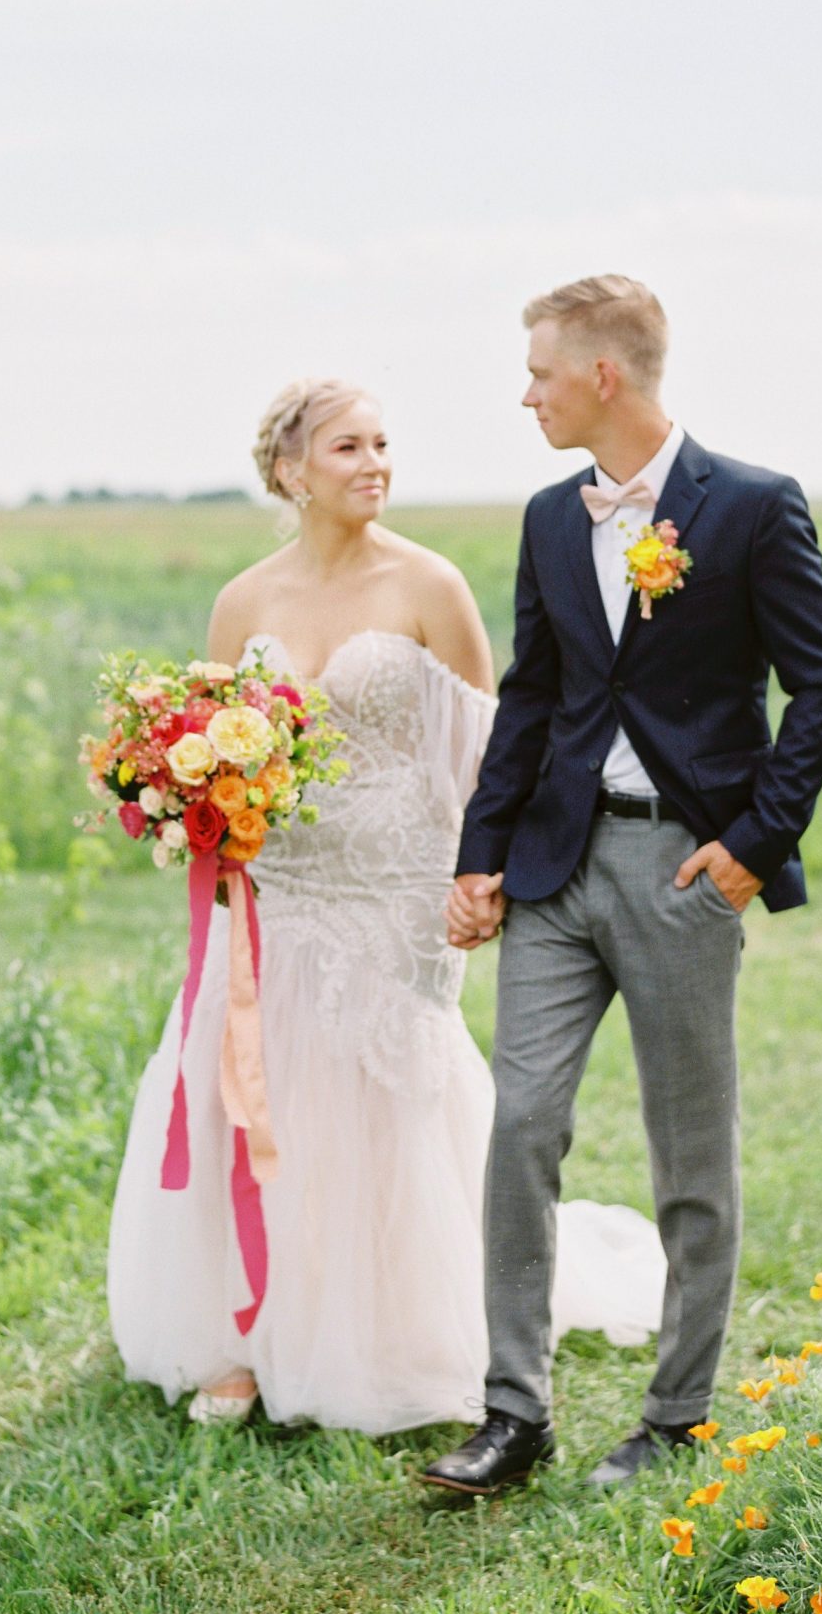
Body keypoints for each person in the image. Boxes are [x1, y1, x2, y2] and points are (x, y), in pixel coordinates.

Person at [108, 378, 665, 1433]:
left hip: (396, 886)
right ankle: (248, 1331)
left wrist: (482, 869)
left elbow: (493, 748)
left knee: (380, 1090)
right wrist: (189, 810)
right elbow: (215, 739)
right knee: (248, 1079)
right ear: (288, 470)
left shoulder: (428, 584)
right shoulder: (243, 599)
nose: (373, 463)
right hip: (280, 887)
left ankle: (398, 1325)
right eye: (345, 447)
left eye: (380, 444)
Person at [422, 274, 822, 1495]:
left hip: (681, 867)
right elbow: (532, 693)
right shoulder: (551, 517)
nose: (526, 393)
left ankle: (675, 1414)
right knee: (518, 1125)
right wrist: (480, 849)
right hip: (555, 862)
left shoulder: (755, 508)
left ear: (601, 375)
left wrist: (752, 846)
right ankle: (515, 1411)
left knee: (688, 1150)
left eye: (540, 373)